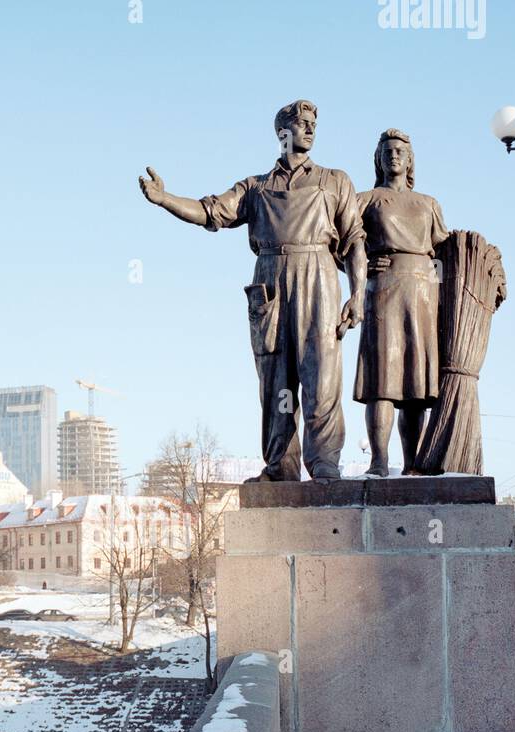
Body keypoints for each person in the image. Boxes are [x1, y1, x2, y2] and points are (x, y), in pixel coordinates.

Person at [139, 100, 367, 481]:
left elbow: (355, 240)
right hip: (270, 281)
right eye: (301, 124)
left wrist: (357, 294)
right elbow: (210, 211)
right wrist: (165, 199)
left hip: (319, 278)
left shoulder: (335, 181)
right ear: (282, 133)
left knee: (322, 374)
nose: (309, 129)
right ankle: (280, 465)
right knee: (275, 379)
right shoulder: (256, 188)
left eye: (313, 123)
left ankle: (324, 462)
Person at [354, 129, 449, 476]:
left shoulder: (429, 204)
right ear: (378, 159)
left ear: (410, 160)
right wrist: (364, 264)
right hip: (384, 288)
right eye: (387, 151)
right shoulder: (365, 199)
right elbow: (342, 244)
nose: (394, 155)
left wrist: (437, 285)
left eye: (400, 151)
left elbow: (443, 251)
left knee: (415, 384)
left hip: (422, 292)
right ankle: (379, 460)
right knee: (381, 378)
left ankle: (412, 463)